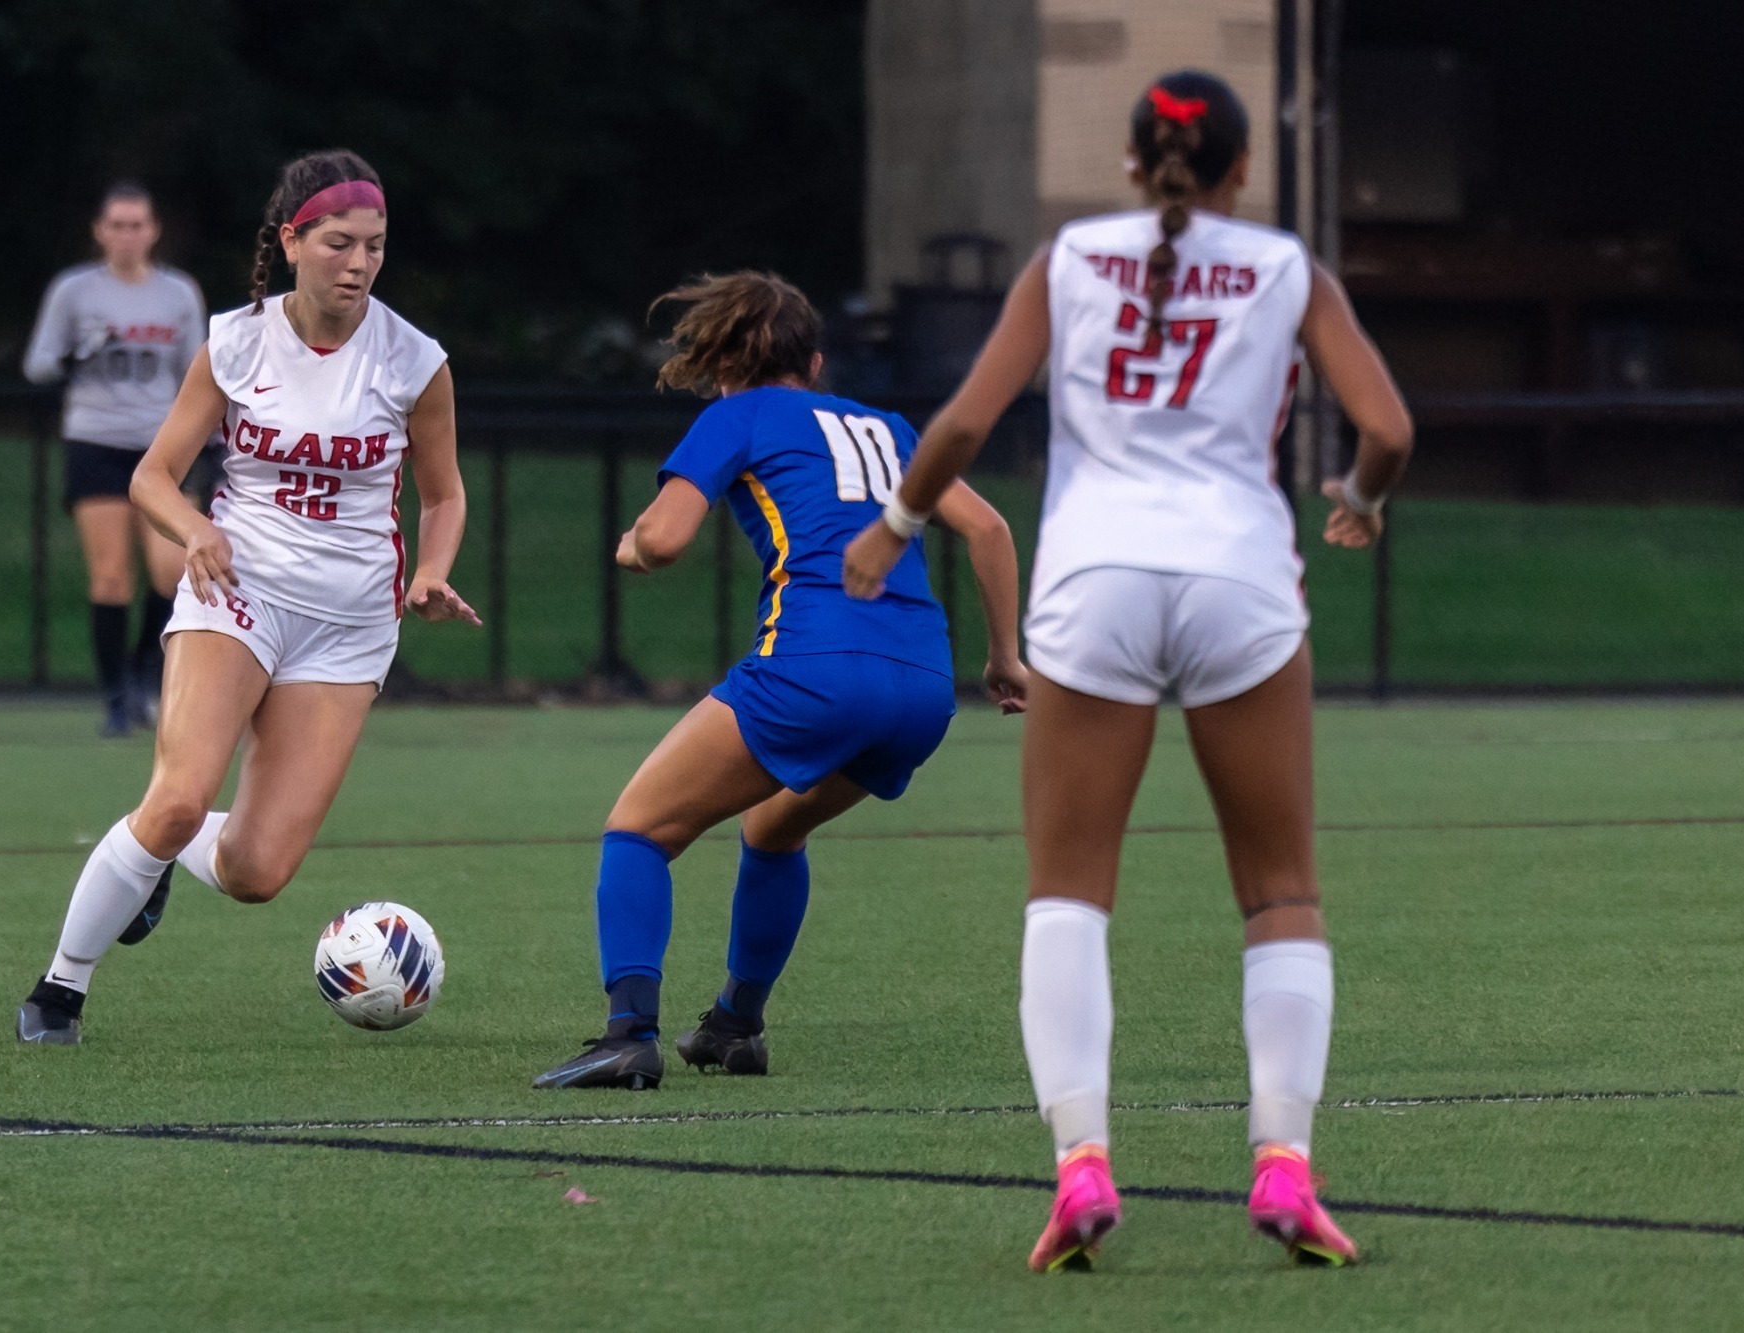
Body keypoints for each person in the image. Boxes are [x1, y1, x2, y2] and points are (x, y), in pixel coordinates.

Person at [843, 71, 1414, 1270]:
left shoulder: (1066, 260)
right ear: (1241, 170)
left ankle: (1081, 1166)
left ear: (1129, 160)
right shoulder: (1284, 267)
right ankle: (1283, 1164)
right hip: (1237, 582)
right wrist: (1359, 501)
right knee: (1278, 892)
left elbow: (963, 422)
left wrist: (894, 526)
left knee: (1067, 892)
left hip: (1090, 582)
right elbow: (1387, 429)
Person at [17, 150, 479, 1046]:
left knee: (258, 871)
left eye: (375, 246)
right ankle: (60, 988)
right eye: (339, 243)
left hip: (348, 624)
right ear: (292, 241)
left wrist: (430, 570)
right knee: (178, 796)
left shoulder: (415, 361)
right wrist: (195, 529)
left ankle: (158, 849)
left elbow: (444, 493)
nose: (359, 263)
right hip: (238, 591)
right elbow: (152, 477)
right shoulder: (237, 339)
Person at [533, 272, 1027, 1091]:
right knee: (772, 828)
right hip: (921, 687)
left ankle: (629, 1035)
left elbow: (664, 539)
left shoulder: (738, 414)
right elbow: (991, 528)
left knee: (639, 830)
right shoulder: (888, 427)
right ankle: (735, 1025)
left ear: (722, 364)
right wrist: (1004, 657)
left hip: (816, 669)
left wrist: (633, 545)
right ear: (817, 362)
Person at [24, 183, 208, 735]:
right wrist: (82, 351)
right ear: (100, 231)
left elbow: (196, 373)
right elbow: (38, 364)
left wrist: (205, 438)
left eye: (137, 225)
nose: (128, 235)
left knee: (172, 572)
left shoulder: (178, 293)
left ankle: (143, 673)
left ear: (153, 231)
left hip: (160, 447)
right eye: (117, 225)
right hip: (96, 441)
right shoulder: (74, 291)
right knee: (110, 579)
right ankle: (115, 699)